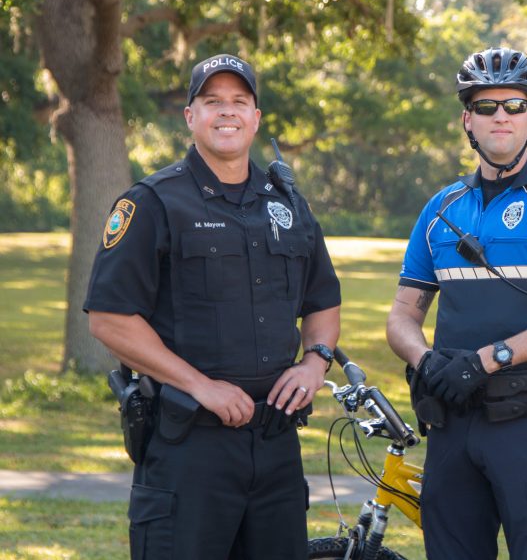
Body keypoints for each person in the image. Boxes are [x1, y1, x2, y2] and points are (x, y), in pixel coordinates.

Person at [85, 53, 342, 559]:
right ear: (190, 116)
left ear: (256, 118)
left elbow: (323, 300)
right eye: (212, 102)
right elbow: (110, 319)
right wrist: (201, 386)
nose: (227, 112)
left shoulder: (287, 205)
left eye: (239, 102)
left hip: (276, 444)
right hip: (189, 446)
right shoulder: (153, 203)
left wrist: (315, 363)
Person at [386, 47, 527, 559]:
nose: (501, 116)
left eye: (515, 104)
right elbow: (402, 315)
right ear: (468, 119)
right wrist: (426, 359)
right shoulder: (441, 209)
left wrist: (489, 360)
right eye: (486, 107)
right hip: (451, 421)